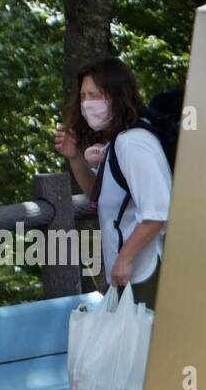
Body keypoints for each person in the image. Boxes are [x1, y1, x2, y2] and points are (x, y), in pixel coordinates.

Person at [54, 57, 171, 310]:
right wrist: (75, 158)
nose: (86, 104)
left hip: (145, 273)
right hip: (134, 275)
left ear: (116, 96)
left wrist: (125, 259)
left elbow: (157, 212)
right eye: (83, 96)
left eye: (94, 95)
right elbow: (102, 196)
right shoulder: (121, 141)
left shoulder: (133, 143)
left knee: (140, 348)